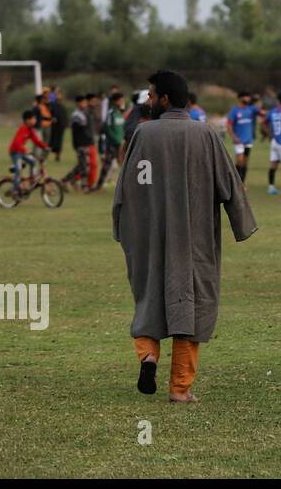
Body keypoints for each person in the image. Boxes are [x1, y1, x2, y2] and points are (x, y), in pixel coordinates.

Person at [113, 70, 257, 403]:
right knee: (190, 306)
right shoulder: (205, 134)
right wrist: (242, 223)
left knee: (149, 298)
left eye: (151, 95)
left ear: (165, 98)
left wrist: (123, 227)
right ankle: (180, 388)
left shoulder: (143, 135)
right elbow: (230, 185)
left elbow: (125, 188)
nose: (148, 100)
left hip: (150, 237)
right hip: (195, 239)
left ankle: (148, 356)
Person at [7, 109, 48, 195]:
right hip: (15, 152)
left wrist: (45, 147)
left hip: (21, 151)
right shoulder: (23, 129)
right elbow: (17, 142)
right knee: (18, 170)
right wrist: (26, 150)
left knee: (33, 162)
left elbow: (36, 141)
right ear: (27, 120)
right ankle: (15, 189)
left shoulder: (30, 129)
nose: (35, 120)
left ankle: (32, 181)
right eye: (33, 118)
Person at [225, 91, 259, 184]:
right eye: (245, 97)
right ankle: (235, 182)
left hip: (248, 140)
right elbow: (229, 125)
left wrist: (258, 101)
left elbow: (262, 112)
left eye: (248, 97)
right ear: (240, 98)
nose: (247, 99)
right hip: (239, 140)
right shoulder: (234, 110)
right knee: (239, 161)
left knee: (244, 162)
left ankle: (241, 184)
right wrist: (234, 137)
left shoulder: (251, 109)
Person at [95, 91, 127, 190]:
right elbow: (107, 129)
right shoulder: (111, 113)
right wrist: (117, 140)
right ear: (115, 101)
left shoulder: (121, 113)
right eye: (120, 100)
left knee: (125, 165)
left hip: (121, 144)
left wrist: (123, 140)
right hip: (112, 145)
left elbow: (122, 128)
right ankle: (99, 186)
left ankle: (125, 186)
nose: (122, 102)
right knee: (107, 166)